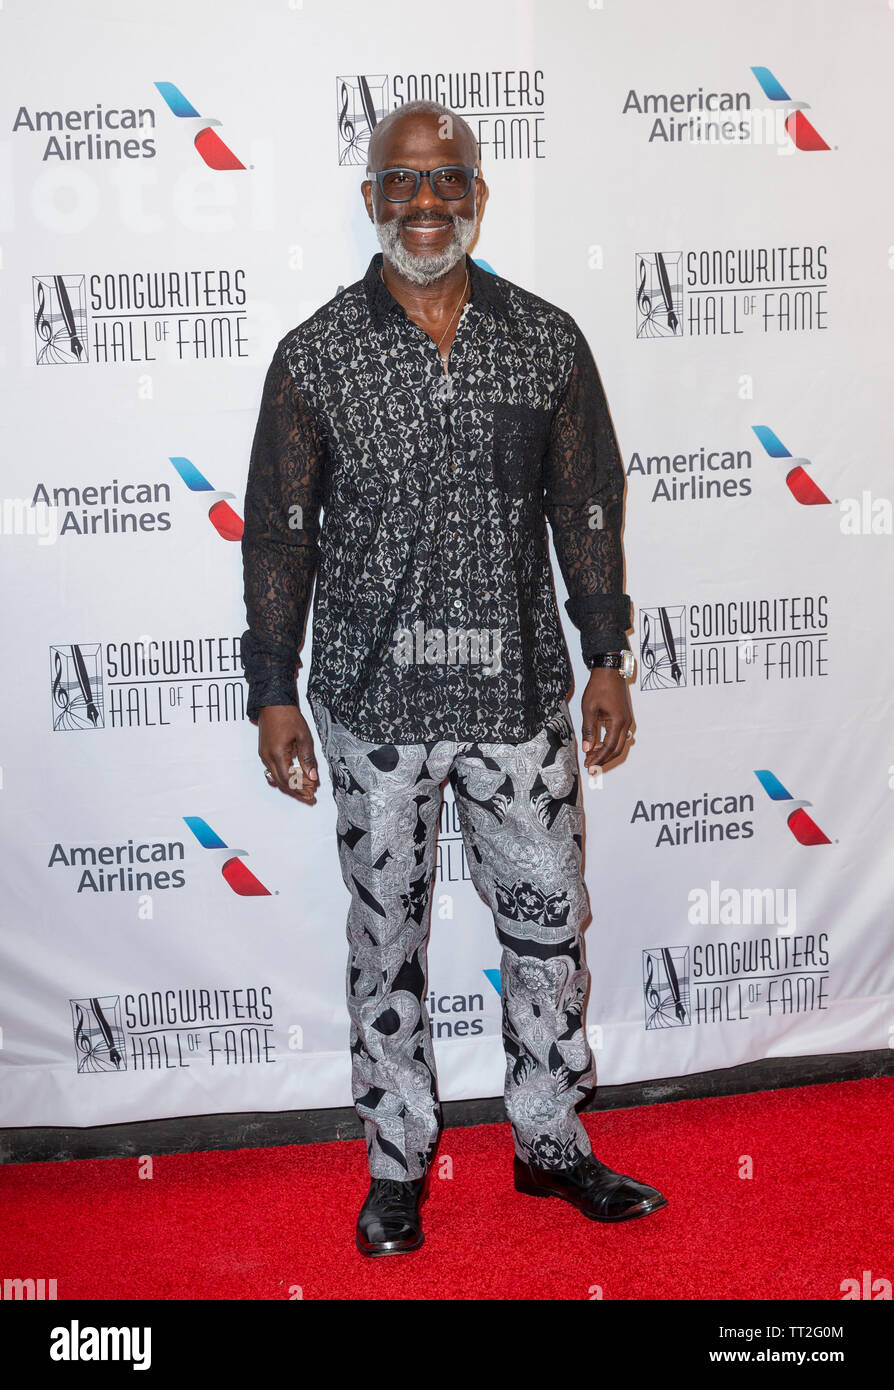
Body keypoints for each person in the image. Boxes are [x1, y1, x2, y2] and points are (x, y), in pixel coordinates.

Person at [240, 98, 667, 1256]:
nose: (424, 204)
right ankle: (394, 1163)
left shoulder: (545, 338)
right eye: (401, 183)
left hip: (521, 699)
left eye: (447, 182)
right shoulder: (316, 355)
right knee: (389, 942)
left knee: (545, 927)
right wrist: (272, 683)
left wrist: (607, 654)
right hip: (375, 706)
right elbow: (281, 532)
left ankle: (551, 1144)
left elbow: (587, 504)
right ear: (370, 198)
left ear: (479, 195)